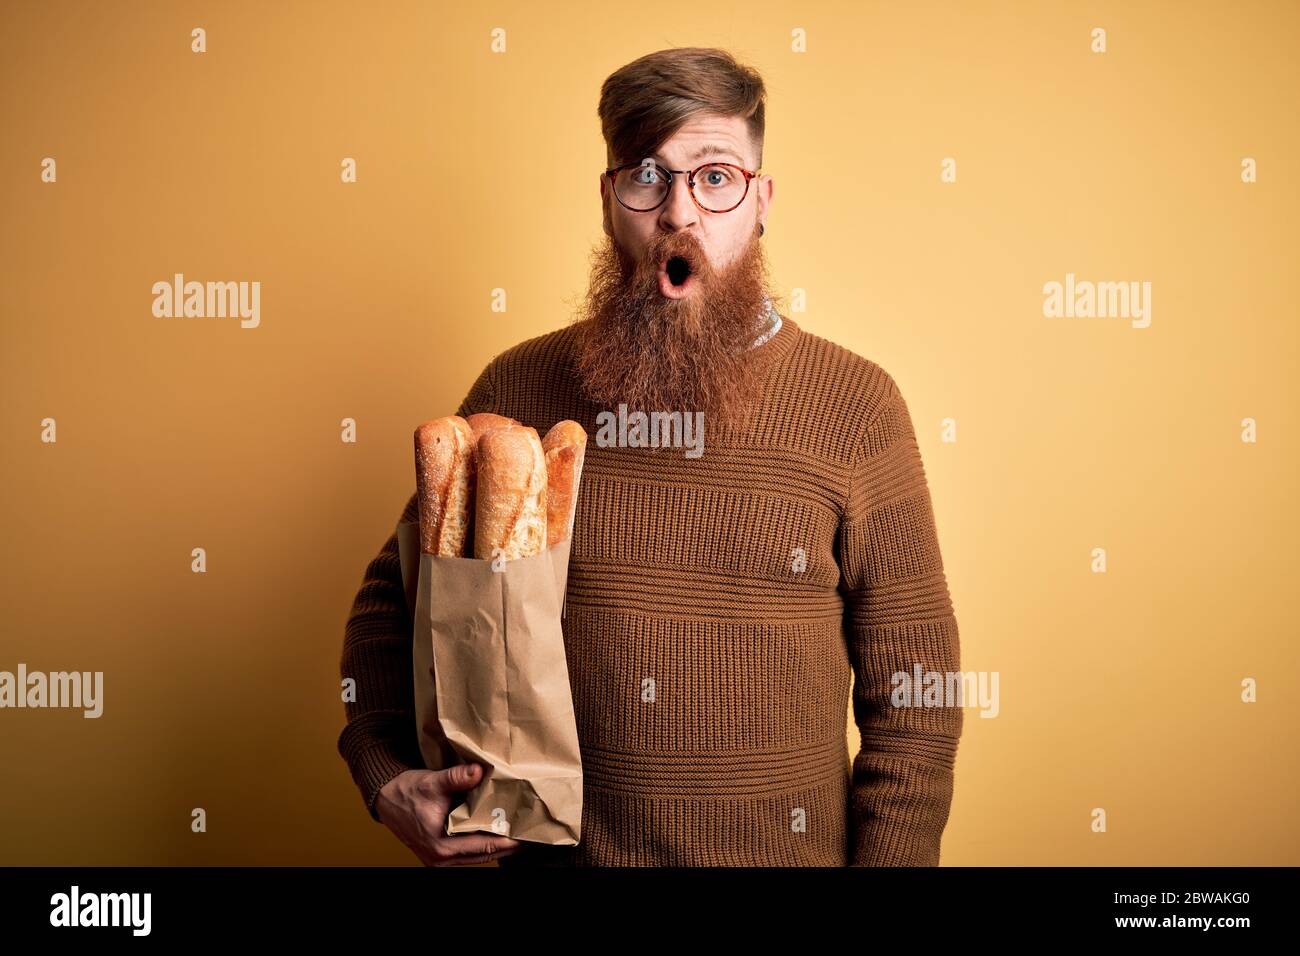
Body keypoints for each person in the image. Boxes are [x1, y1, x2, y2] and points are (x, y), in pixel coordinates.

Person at [338, 46, 963, 866]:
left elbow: (918, 700)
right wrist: (386, 778)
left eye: (714, 176)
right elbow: (397, 604)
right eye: (647, 176)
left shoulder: (856, 407)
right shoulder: (518, 390)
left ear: (762, 200)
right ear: (608, 201)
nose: (680, 214)